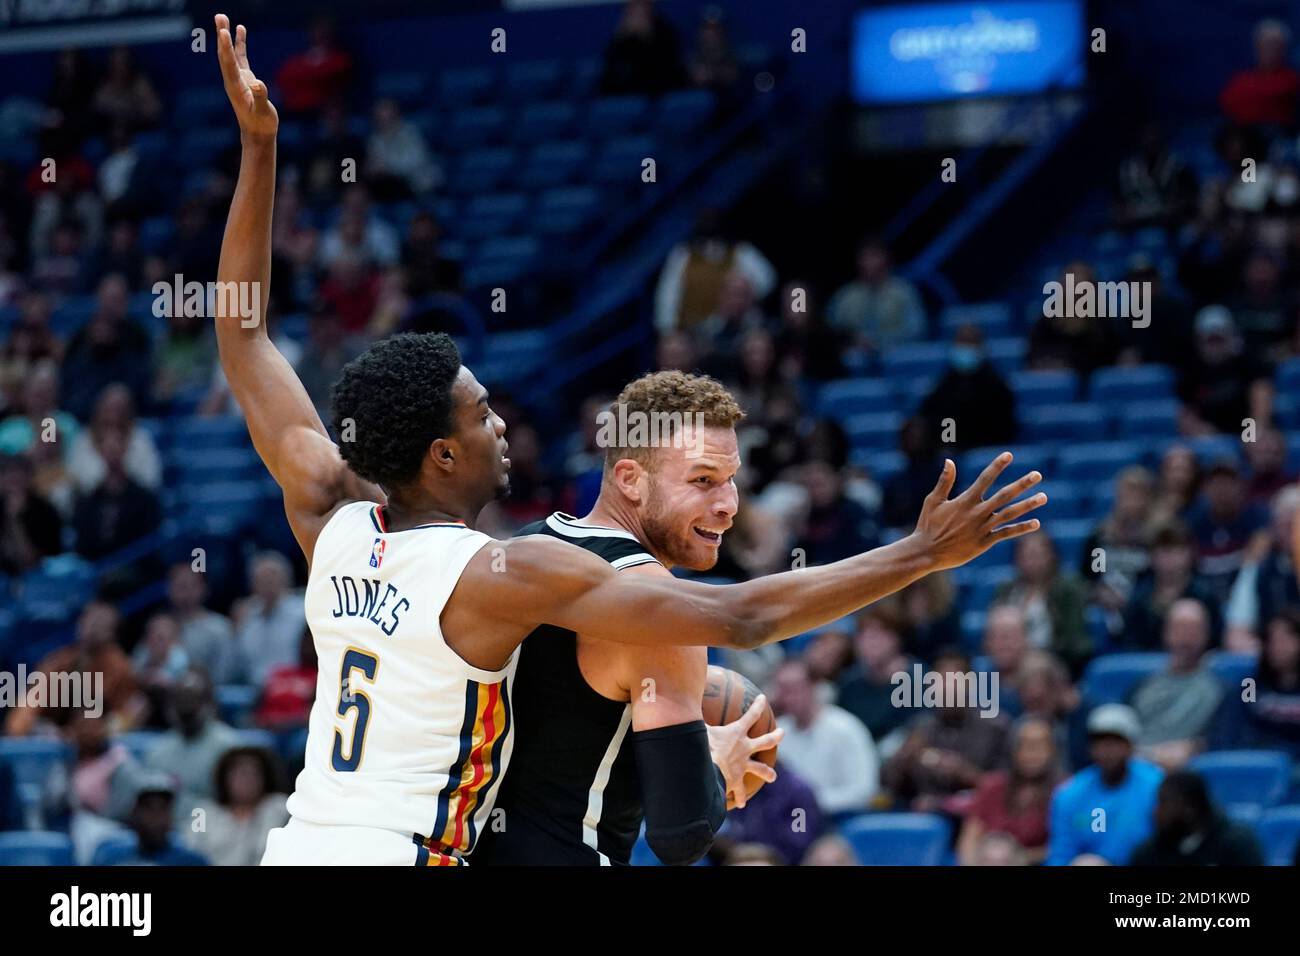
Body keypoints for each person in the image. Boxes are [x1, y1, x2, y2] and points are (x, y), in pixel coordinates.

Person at [211, 17, 1045, 866]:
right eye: (481, 413)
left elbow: (242, 338)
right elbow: (744, 612)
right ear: (443, 455)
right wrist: (920, 555)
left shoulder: (332, 519)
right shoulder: (500, 573)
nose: (502, 425)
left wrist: (258, 146)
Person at [883, 648, 1012, 813]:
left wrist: (966, 773)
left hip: (977, 818)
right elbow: (888, 785)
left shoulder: (996, 727)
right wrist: (905, 757)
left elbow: (1008, 788)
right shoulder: (920, 727)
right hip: (925, 818)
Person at [1045, 704, 1163, 865]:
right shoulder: (1069, 794)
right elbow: (1061, 855)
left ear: (1130, 746)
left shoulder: (1156, 785)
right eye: (1100, 742)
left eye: (1116, 742)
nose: (1107, 750)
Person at [770, 657, 879, 816]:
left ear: (814, 687)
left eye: (794, 689)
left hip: (837, 821)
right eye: (783, 690)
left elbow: (864, 791)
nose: (788, 697)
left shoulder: (846, 729)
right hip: (787, 822)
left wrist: (808, 802)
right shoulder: (776, 731)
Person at [1130, 599, 1225, 770]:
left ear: (1207, 635)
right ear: (1165, 633)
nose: (1185, 637)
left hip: (1188, 773)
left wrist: (1195, 747)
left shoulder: (1220, 690)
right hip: (1138, 766)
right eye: (1179, 628)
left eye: (1193, 630)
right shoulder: (1142, 685)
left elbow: (1224, 738)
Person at [957, 717, 1061, 865]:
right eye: (1025, 746)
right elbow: (970, 838)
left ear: (1052, 750)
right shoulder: (992, 786)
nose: (1032, 754)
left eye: (1039, 746)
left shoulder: (1064, 792)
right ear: (1013, 750)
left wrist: (1017, 858)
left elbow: (1064, 845)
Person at [144, 669, 243, 825]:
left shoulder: (229, 747)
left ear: (209, 705)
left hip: (215, 829)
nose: (186, 709)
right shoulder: (157, 751)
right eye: (180, 702)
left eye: (192, 702)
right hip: (168, 830)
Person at [995, 533, 1092, 676]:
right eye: (1025, 555)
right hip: (1011, 660)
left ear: (1051, 556)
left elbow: (1074, 638)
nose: (1031, 561)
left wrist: (1041, 656)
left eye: (1036, 554)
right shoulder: (1006, 590)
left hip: (1054, 661)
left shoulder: (1068, 590)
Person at [1130, 770, 1264, 865]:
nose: (1156, 812)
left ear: (1190, 809)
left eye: (1164, 804)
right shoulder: (1148, 853)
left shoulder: (1237, 845)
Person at [918, 325, 1017, 451]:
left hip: (989, 449)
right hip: (953, 450)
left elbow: (1005, 426)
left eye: (970, 343)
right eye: (961, 342)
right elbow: (935, 419)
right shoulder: (944, 385)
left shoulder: (997, 386)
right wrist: (948, 443)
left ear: (980, 347)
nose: (965, 349)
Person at [186, 747, 289, 866]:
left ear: (265, 778)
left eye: (254, 774)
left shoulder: (279, 807)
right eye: (239, 773)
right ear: (223, 777)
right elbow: (190, 851)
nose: (247, 780)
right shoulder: (201, 811)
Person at [826, 237, 926, 352]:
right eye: (864, 257)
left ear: (886, 258)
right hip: (852, 362)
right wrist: (852, 339)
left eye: (874, 256)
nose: (869, 262)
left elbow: (918, 331)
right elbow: (829, 331)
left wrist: (879, 341)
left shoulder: (904, 293)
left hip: (897, 360)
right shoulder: (845, 296)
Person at [95, 771, 209, 866]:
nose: (156, 818)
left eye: (163, 808)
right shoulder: (111, 856)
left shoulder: (191, 862)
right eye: (148, 808)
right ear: (134, 812)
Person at [1219, 19, 1300, 130]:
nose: (1270, 50)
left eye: (1275, 45)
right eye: (1264, 45)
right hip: (1246, 134)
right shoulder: (1241, 80)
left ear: (1285, 49)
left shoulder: (1292, 80)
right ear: (1256, 47)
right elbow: (1228, 101)